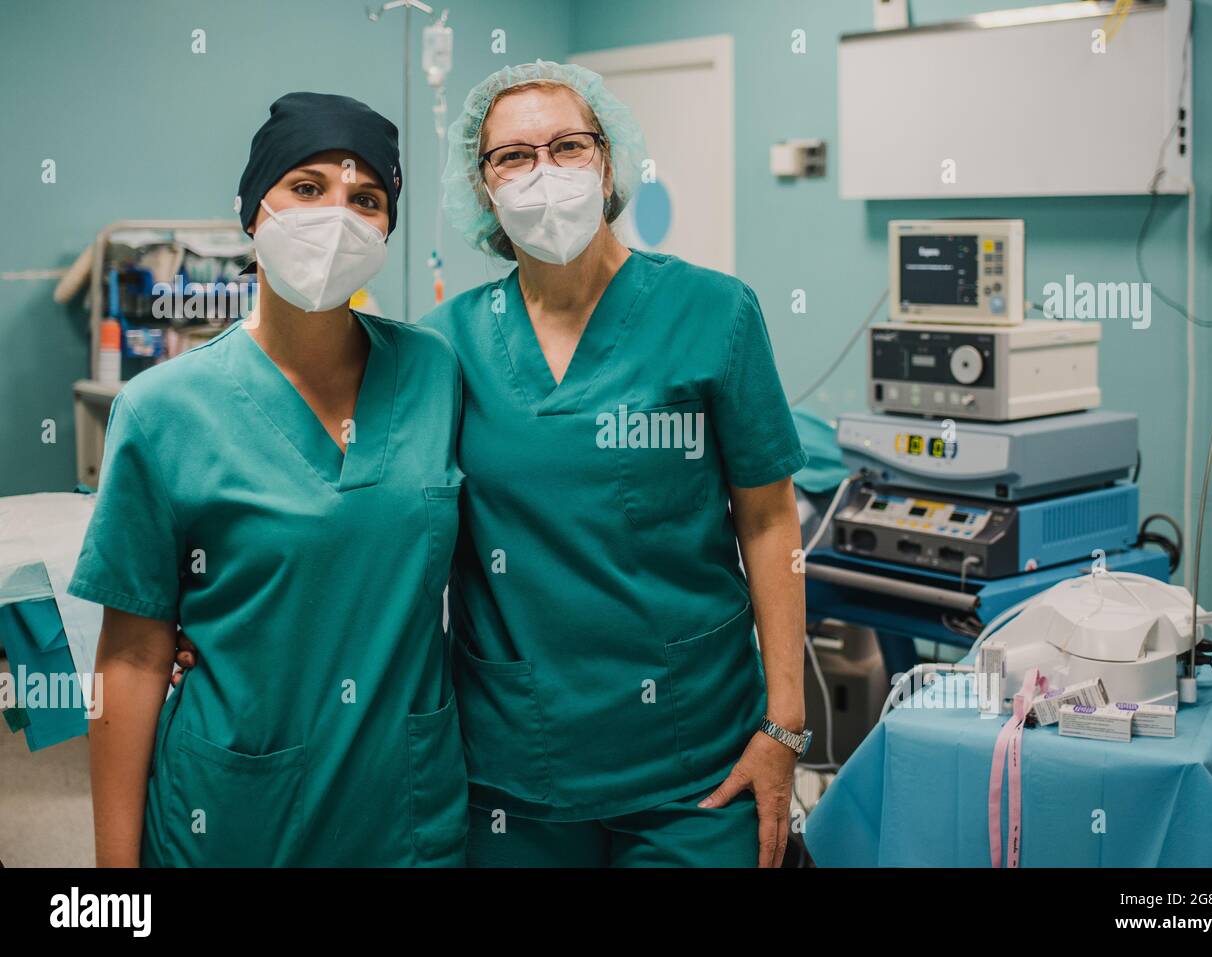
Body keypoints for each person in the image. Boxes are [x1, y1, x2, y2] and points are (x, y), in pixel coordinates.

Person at [426, 61, 810, 867]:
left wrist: (784, 724)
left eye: (569, 146)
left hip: (696, 759)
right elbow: (387, 520)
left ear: (608, 162)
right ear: (482, 184)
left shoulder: (715, 313)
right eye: (513, 158)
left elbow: (771, 519)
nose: (545, 173)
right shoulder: (448, 345)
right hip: (517, 761)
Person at [69, 92, 468, 867]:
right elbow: (133, 658)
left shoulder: (432, 372)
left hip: (405, 816)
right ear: (254, 211)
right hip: (232, 816)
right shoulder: (163, 409)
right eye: (308, 188)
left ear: (387, 227)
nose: (337, 217)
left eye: (367, 198)